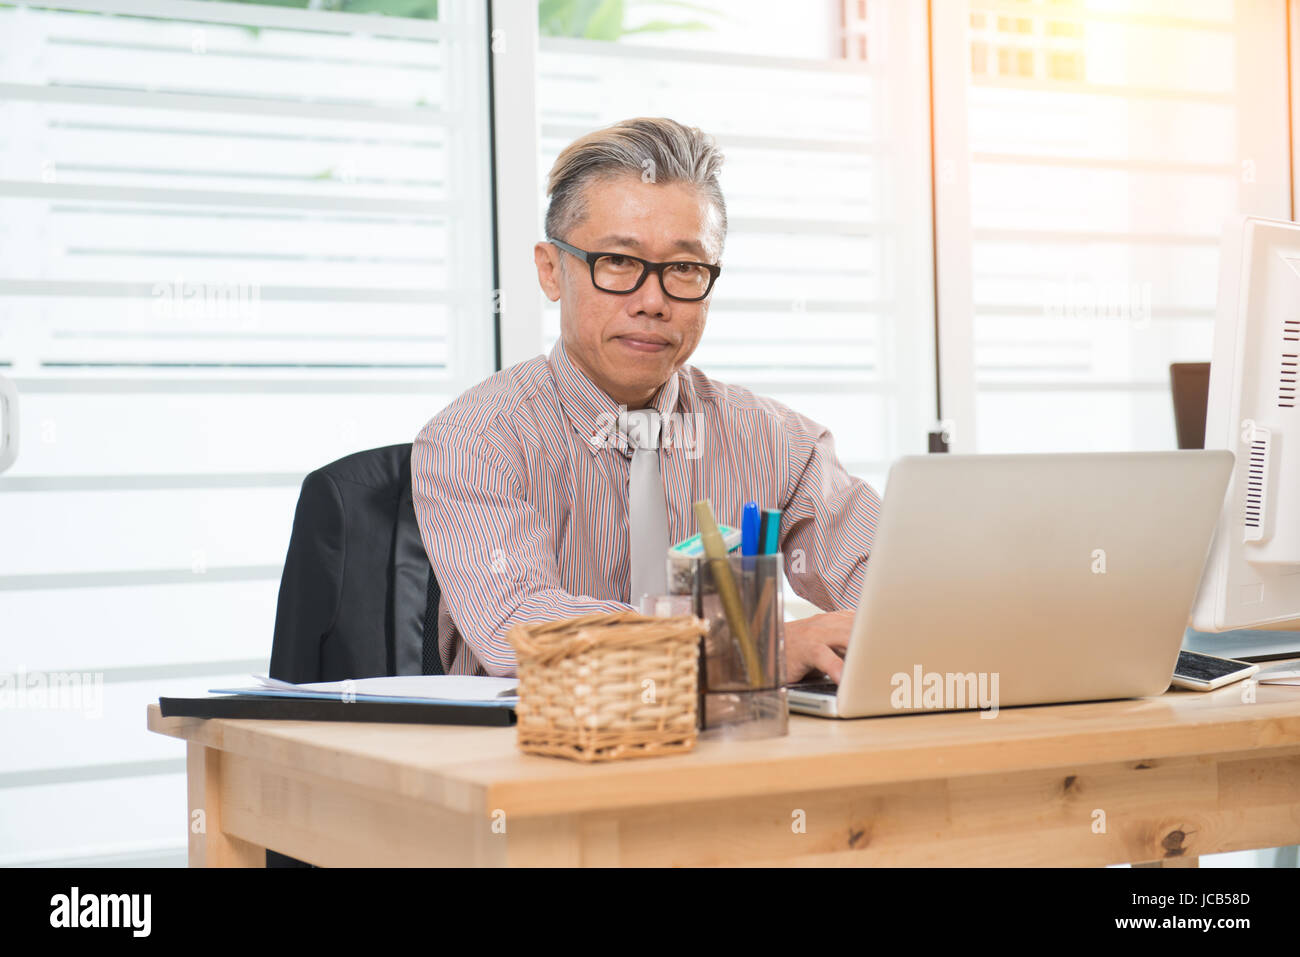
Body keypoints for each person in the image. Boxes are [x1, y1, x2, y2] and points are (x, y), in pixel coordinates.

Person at [412, 117, 879, 683]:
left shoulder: (781, 444)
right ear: (550, 269)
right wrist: (751, 647)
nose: (652, 301)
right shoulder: (476, 439)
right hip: (536, 757)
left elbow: (896, 591)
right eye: (619, 263)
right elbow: (522, 629)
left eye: (684, 268)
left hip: (738, 755)